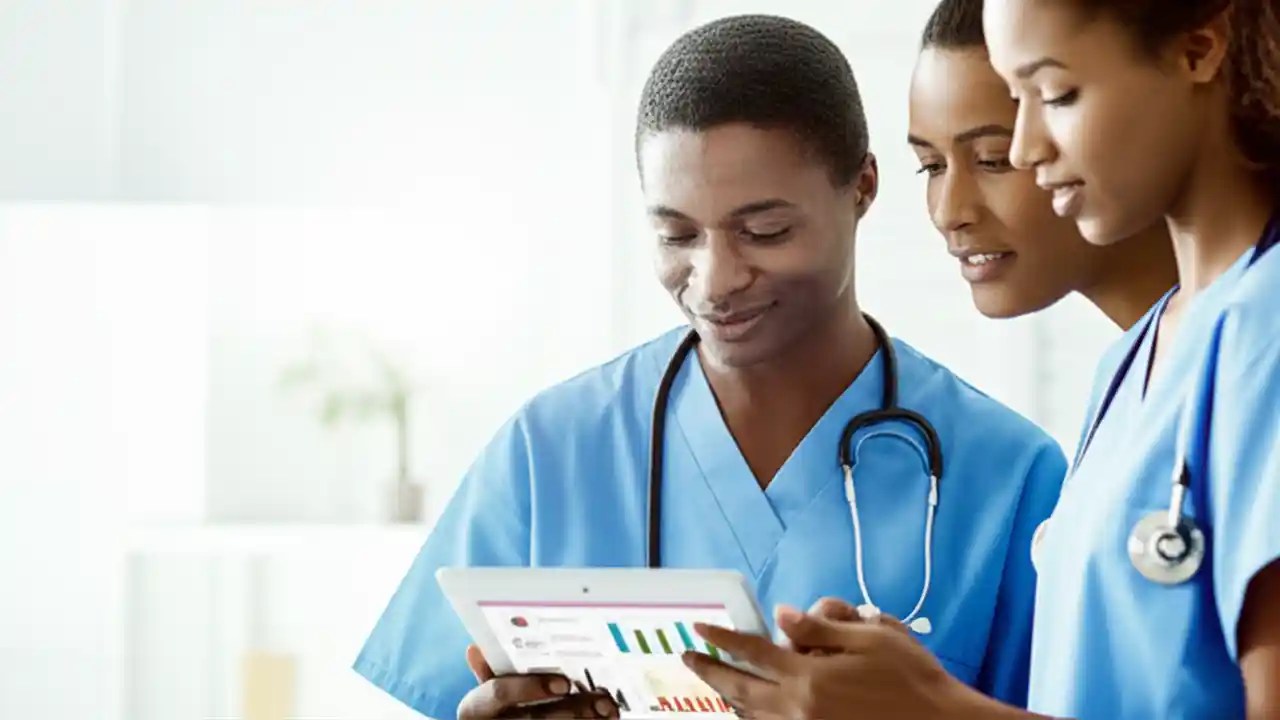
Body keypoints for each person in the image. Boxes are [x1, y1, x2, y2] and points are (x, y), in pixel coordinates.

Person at [353, 14, 1068, 720]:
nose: (715, 280)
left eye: (764, 231)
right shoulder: (549, 452)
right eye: (677, 235)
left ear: (863, 186)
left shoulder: (1009, 476)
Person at [683, 0, 1280, 718]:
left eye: (1055, 95)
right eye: (929, 165)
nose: (1030, 148)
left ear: (1200, 50)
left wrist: (937, 710)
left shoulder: (1260, 333)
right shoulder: (1134, 363)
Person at [906, 0, 1176, 329]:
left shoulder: (1228, 336)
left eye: (993, 160)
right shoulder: (1151, 354)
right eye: (932, 166)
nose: (948, 214)